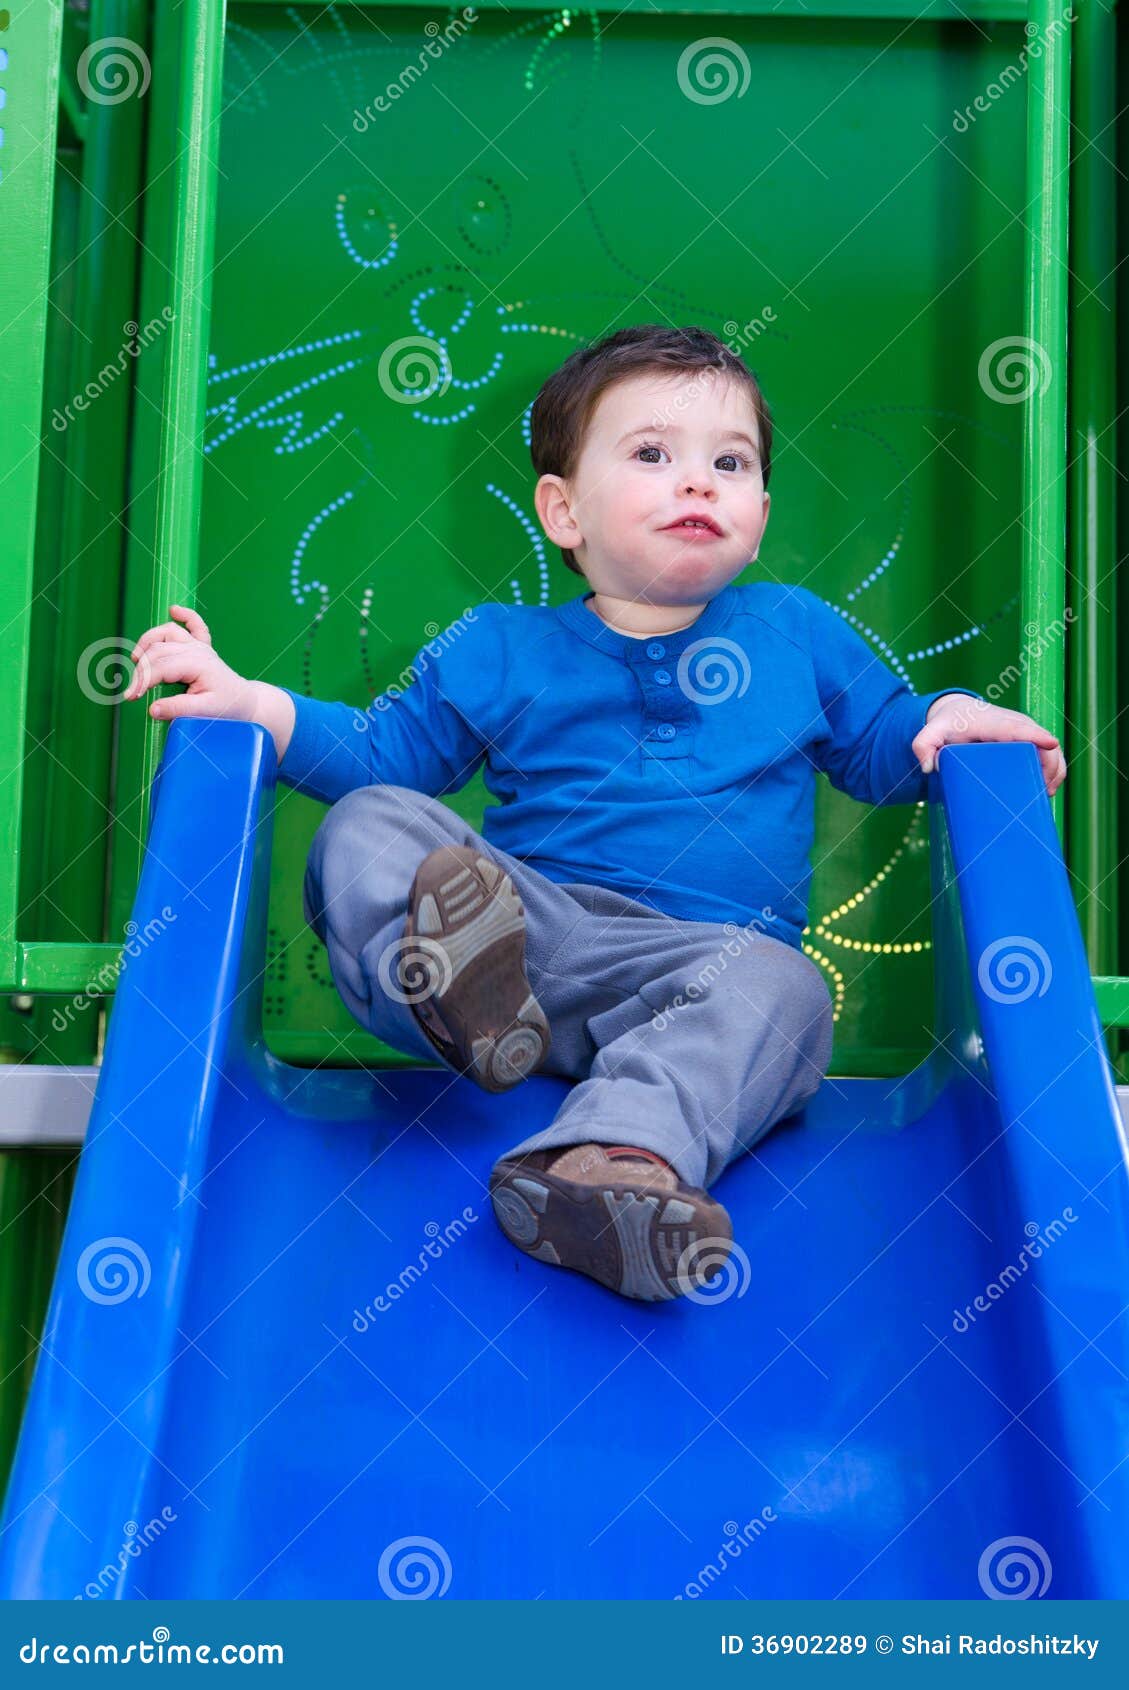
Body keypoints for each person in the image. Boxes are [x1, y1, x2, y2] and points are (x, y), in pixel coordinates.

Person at [123, 324, 1066, 1304]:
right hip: (516, 931)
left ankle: (606, 1165)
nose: (697, 481)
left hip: (704, 963)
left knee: (790, 993)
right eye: (653, 454)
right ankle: (449, 995)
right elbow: (378, 755)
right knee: (368, 822)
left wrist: (947, 717)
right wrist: (254, 704)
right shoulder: (499, 647)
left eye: (728, 462)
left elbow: (882, 744)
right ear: (562, 510)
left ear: (760, 509)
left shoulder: (800, 636)